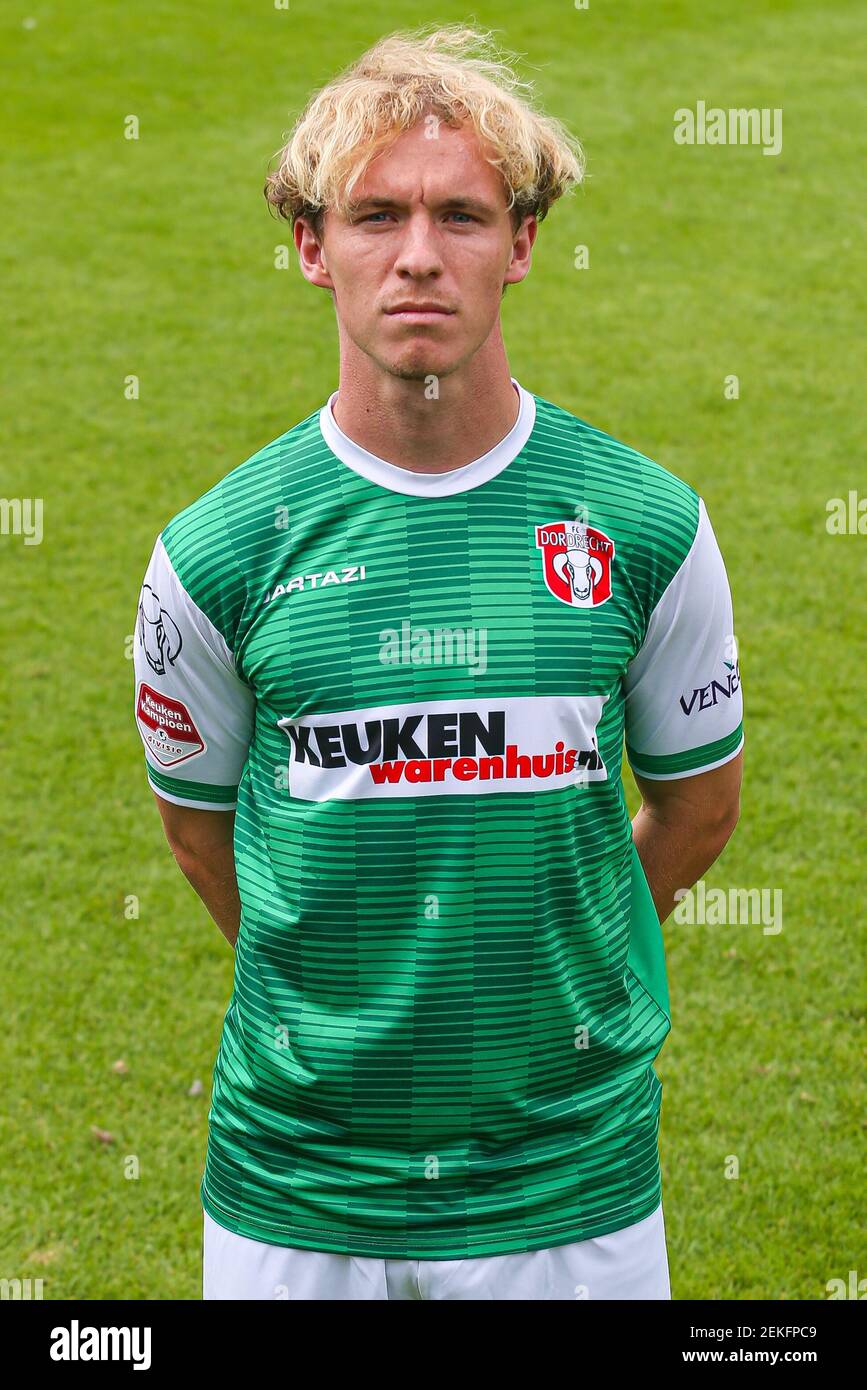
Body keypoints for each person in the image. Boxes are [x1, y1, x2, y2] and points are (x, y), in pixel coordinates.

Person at [133, 25, 743, 1300]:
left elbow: (698, 809)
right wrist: (337, 1017)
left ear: (520, 244)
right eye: (375, 216)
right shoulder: (216, 553)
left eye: (461, 215)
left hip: (568, 1184)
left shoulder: (642, 525)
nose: (418, 256)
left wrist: (553, 964)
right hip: (299, 1185)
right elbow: (199, 838)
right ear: (313, 247)